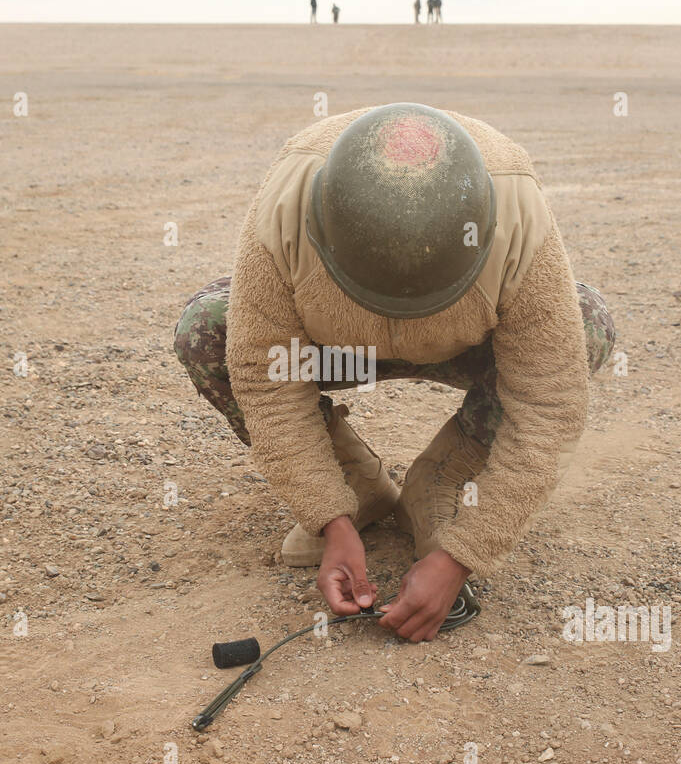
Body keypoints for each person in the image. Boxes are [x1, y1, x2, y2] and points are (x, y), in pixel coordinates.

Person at [173, 104, 616, 641]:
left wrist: (462, 555)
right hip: (336, 348)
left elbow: (549, 402)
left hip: (467, 345)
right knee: (209, 332)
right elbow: (265, 378)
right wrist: (328, 516)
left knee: (584, 329)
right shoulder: (287, 198)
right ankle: (357, 487)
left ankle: (443, 477)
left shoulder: (516, 203)